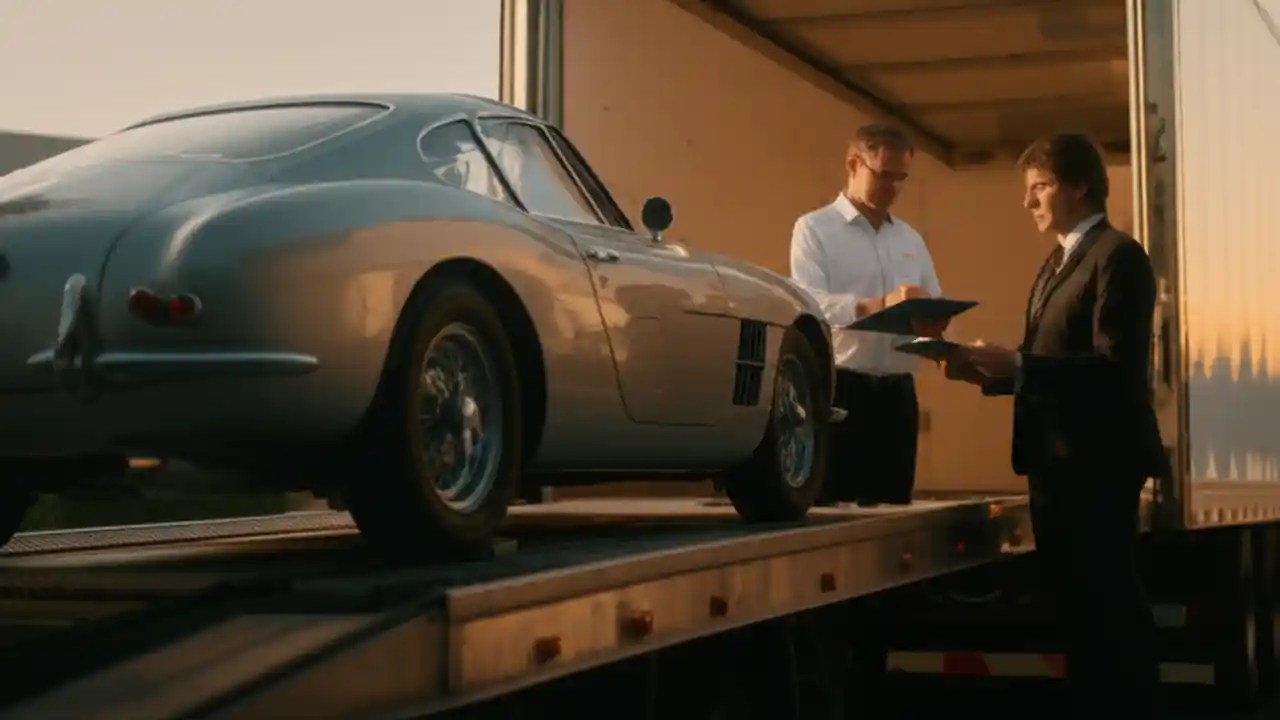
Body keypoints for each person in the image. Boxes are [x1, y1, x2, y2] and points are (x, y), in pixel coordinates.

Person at [943, 132, 1168, 718]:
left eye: (1039, 187)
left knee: (1109, 614)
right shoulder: (1056, 260)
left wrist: (1018, 364)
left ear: (1080, 187)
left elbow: (1114, 369)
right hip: (1054, 464)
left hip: (1097, 466)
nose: (1028, 202)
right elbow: (1049, 359)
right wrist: (986, 375)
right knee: (1075, 616)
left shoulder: (1118, 256)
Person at [790, 123, 946, 507]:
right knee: (832, 511)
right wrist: (878, 305)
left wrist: (935, 323)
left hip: (898, 396)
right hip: (843, 390)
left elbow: (935, 299)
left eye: (901, 178)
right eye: (884, 174)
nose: (893, 187)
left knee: (895, 511)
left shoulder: (910, 238)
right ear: (853, 164)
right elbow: (809, 304)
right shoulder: (815, 229)